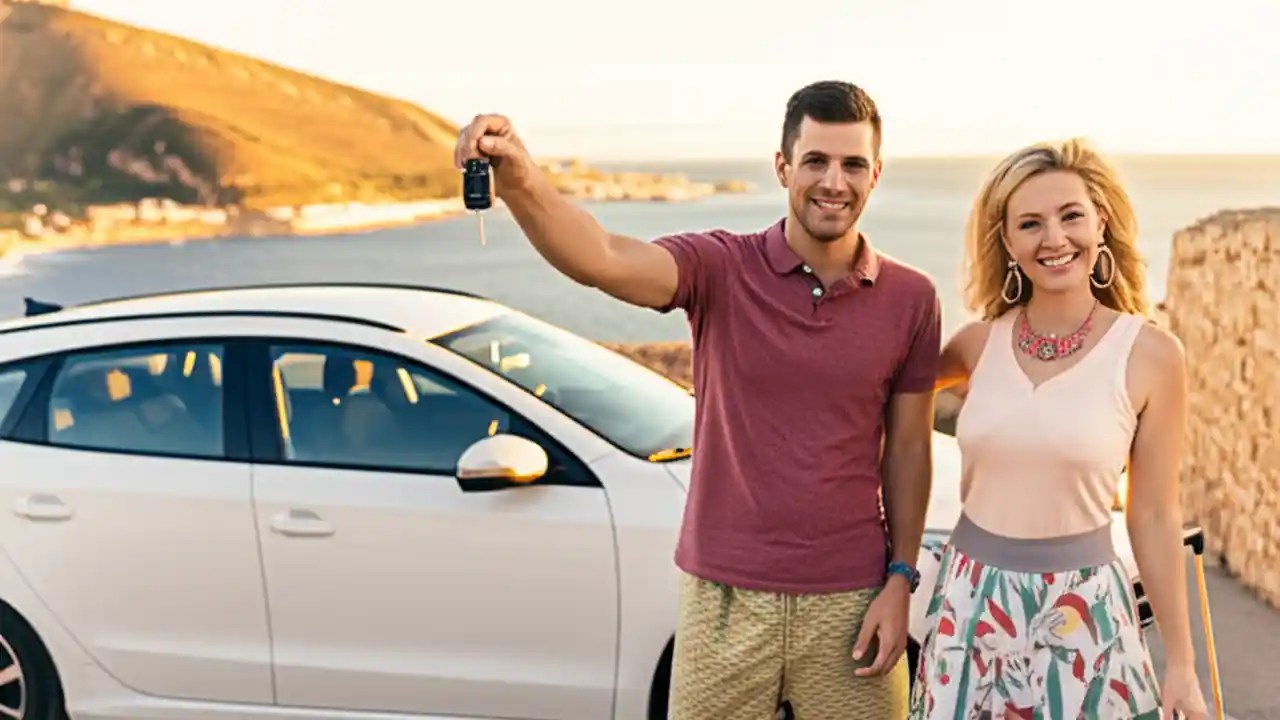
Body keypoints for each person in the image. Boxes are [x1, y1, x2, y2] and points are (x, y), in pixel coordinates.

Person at [454, 80, 941, 718]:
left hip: (851, 602)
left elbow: (907, 448)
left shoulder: (912, 299)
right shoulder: (720, 268)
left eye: (852, 164)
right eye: (816, 161)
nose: (834, 181)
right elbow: (601, 258)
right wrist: (519, 178)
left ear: (875, 174)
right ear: (783, 166)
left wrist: (901, 580)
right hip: (723, 600)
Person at [912, 138, 1209, 719]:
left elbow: (1152, 514)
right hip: (968, 611)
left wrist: (1181, 664)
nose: (1054, 239)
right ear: (1008, 241)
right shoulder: (976, 345)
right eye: (1030, 223)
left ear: (1100, 222)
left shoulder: (1151, 354)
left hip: (1087, 616)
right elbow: (886, 414)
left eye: (1070, 215)